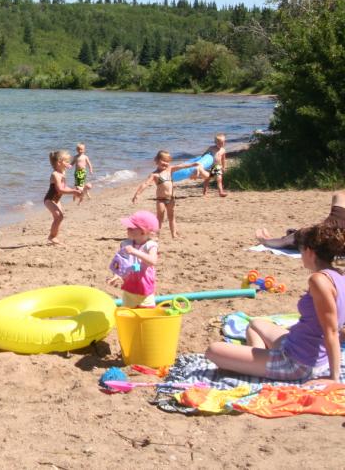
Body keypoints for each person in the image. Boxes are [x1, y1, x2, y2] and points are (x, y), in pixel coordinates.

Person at [206, 224, 345, 384]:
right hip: (297, 345)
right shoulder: (339, 275)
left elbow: (332, 331)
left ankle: (255, 362)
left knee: (213, 351)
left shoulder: (318, 280)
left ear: (309, 251)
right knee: (255, 323)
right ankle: (255, 359)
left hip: (298, 363)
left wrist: (333, 378)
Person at [107, 210, 160, 308]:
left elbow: (152, 261)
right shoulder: (126, 244)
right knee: (128, 313)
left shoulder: (150, 246)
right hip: (129, 288)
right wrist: (117, 275)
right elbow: (122, 263)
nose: (127, 229)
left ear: (143, 231)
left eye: (131, 228)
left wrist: (135, 252)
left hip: (144, 288)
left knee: (146, 313)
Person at [257, 190, 345, 249]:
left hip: (328, 232)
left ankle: (266, 241)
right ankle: (269, 241)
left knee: (286, 240)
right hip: (331, 229)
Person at [132, 150, 178, 238]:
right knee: (160, 217)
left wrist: (195, 164)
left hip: (171, 198)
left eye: (168, 161)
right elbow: (145, 184)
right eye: (163, 160)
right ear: (156, 160)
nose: (165, 163)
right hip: (161, 199)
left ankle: (174, 234)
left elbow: (182, 166)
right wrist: (137, 194)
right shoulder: (155, 175)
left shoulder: (169, 170)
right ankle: (157, 235)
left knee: (171, 217)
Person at [44, 150, 83, 244]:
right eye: (66, 161)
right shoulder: (55, 175)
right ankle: (52, 237)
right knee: (58, 217)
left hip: (56, 199)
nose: (69, 163)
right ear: (59, 162)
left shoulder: (62, 173)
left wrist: (75, 191)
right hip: (50, 200)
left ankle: (54, 235)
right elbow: (60, 190)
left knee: (60, 217)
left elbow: (64, 187)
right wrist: (73, 191)